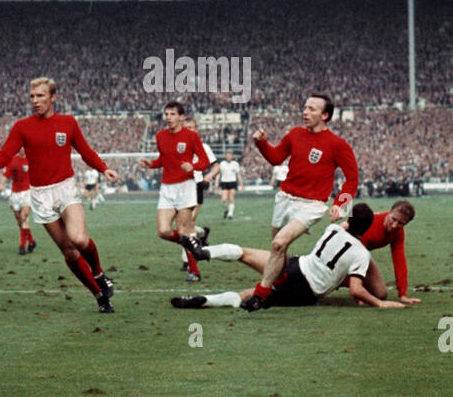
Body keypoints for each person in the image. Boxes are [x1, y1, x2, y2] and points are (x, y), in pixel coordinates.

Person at [0, 77, 120, 312]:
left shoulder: (68, 122)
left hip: (66, 188)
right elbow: (6, 152)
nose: (35, 101)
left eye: (41, 96)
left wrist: (104, 168)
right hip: (40, 196)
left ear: (53, 97)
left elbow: (85, 151)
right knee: (70, 252)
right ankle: (99, 296)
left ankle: (100, 274)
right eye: (32, 96)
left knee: (78, 238)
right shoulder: (22, 126)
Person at [172, 203, 403, 310]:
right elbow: (356, 289)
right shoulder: (361, 254)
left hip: (296, 264)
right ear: (369, 226)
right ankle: (207, 300)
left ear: (349, 221)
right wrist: (380, 302)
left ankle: (205, 251)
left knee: (246, 254)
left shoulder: (333, 229)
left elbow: (346, 224)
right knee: (250, 295)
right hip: (306, 288)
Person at [244, 93, 359, 299]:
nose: (305, 112)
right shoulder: (295, 134)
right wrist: (261, 143)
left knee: (279, 243)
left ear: (325, 115)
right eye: (305, 108)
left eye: (312, 109)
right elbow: (276, 158)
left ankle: (261, 295)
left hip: (312, 205)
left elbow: (352, 178)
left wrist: (340, 204)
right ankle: (280, 282)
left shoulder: (337, 144)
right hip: (285, 198)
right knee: (278, 249)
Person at [146, 103, 211, 282]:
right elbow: (164, 159)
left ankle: (194, 271)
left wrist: (194, 165)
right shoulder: (160, 136)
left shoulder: (192, 136)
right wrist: (151, 164)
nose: (168, 117)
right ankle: (193, 244)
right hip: (167, 187)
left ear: (181, 117)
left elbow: (204, 161)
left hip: (186, 186)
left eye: (172, 114)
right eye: (166, 114)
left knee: (183, 230)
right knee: (163, 231)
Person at [355, 200, 421, 304]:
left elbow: (399, 262)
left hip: (361, 255)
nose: (395, 225)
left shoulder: (398, 233)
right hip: (343, 255)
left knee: (380, 293)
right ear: (389, 213)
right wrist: (358, 297)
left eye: (400, 223)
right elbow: (356, 258)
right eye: (393, 219)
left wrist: (403, 295)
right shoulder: (371, 224)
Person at [0, 154, 36, 254]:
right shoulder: (13, 160)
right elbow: (6, 174)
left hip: (28, 192)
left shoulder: (31, 158)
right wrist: (1, 184)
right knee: (20, 222)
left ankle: (22, 246)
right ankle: (31, 241)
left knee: (24, 217)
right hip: (15, 194)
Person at [216, 150, 243, 219]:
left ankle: (230, 214)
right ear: (225, 156)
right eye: (227, 155)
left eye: (230, 155)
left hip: (232, 182)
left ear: (232, 156)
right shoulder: (222, 163)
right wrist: (216, 183)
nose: (229, 156)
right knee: (224, 199)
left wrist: (241, 185)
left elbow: (238, 175)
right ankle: (226, 210)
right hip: (224, 182)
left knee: (231, 198)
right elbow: (218, 174)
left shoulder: (235, 164)